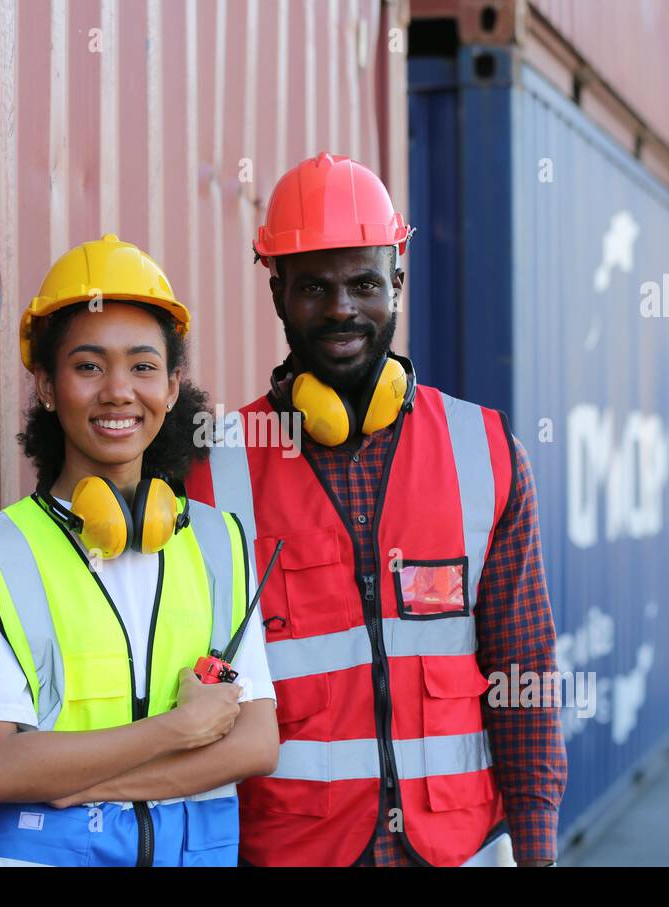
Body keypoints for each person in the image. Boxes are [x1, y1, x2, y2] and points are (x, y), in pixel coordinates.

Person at [185, 153, 567, 867]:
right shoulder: (214, 472)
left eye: (363, 282)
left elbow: (526, 672)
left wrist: (537, 847)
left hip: (459, 850)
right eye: (313, 288)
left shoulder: (484, 454)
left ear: (397, 278)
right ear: (278, 296)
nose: (340, 309)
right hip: (290, 854)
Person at [0, 233, 278, 867]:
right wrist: (177, 732)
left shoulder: (216, 542)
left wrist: (75, 783)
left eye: (144, 366)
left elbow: (255, 745)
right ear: (46, 384)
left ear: (174, 386)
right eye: (88, 365)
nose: (119, 390)